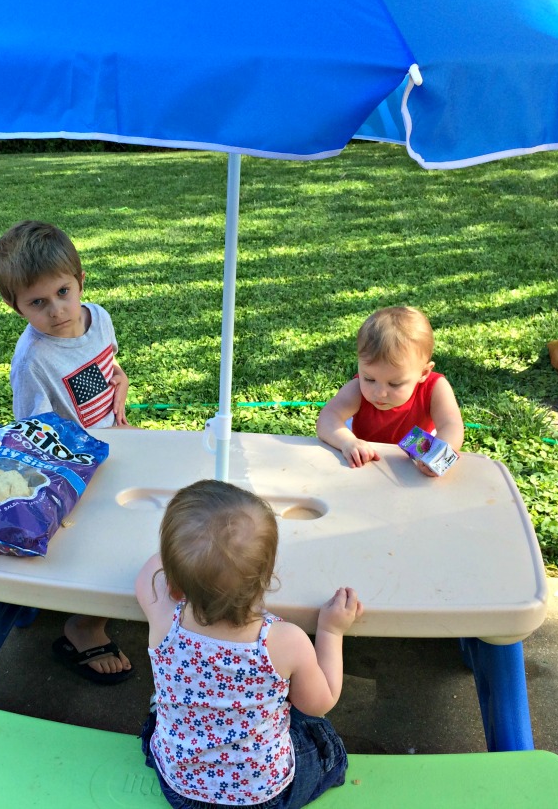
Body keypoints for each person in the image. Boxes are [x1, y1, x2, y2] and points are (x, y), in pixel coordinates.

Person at [136, 480, 362, 809]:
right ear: (267, 576)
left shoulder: (164, 615)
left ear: (172, 585)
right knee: (315, 730)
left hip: (180, 787)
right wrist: (331, 631)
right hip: (261, 797)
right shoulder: (284, 641)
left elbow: (147, 573)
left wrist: (184, 553)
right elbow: (319, 703)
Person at [0, 220, 133, 684]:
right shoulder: (33, 361)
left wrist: (121, 392)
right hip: (72, 468)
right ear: (14, 307)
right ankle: (83, 625)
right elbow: (34, 435)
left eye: (63, 292)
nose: (57, 311)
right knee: (102, 541)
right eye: (37, 303)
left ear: (80, 281)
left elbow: (106, 372)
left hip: (116, 443)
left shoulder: (99, 318)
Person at [316, 306, 464, 475]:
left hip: (413, 463)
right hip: (369, 462)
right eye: (369, 379)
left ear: (423, 373)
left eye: (394, 384)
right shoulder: (356, 389)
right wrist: (347, 442)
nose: (379, 393)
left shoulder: (436, 388)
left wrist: (438, 456)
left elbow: (451, 425)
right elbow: (328, 418)